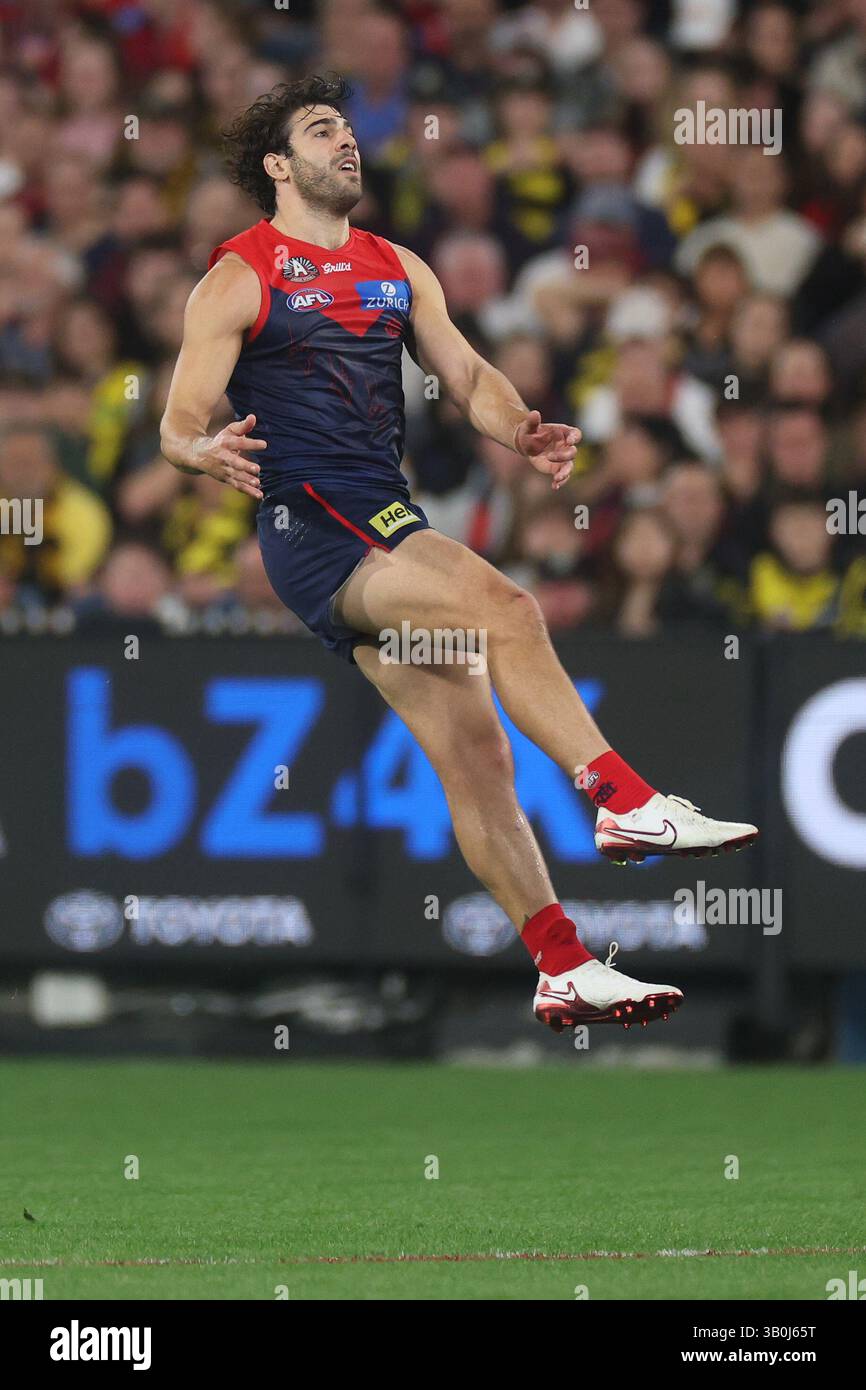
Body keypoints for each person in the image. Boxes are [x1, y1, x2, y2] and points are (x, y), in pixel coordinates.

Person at [160, 76, 758, 1036]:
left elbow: (467, 374)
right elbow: (177, 422)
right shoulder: (241, 273)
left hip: (374, 519)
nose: (348, 144)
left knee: (478, 756)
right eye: (324, 133)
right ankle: (623, 799)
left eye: (351, 131)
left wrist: (517, 426)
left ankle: (561, 965)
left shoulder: (397, 265)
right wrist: (205, 448)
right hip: (320, 525)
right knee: (510, 609)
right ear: (278, 165)